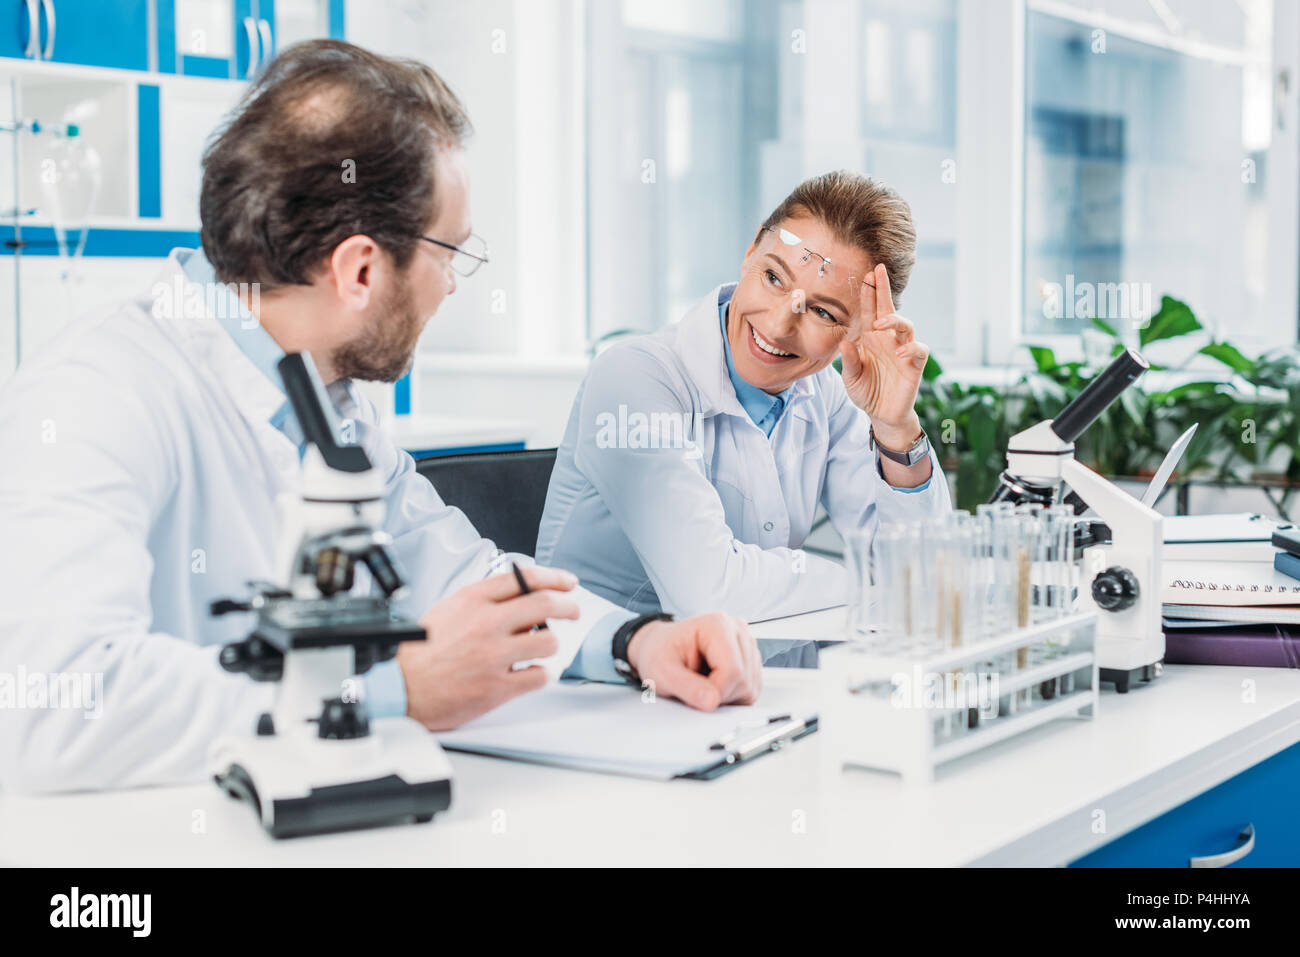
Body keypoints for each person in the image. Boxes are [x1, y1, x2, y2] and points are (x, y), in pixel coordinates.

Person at [0, 40, 760, 794]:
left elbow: (455, 575)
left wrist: (635, 640)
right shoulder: (98, 390)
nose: (455, 286)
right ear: (360, 269)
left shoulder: (326, 389)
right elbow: (57, 703)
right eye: (449, 253)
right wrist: (387, 690)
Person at [537, 171, 952, 625]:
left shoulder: (825, 396)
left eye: (822, 311)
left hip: (751, 675)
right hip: (604, 684)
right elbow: (709, 592)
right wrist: (872, 586)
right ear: (752, 248)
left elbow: (925, 572)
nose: (777, 325)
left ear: (860, 330)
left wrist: (896, 428)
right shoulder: (634, 378)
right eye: (774, 277)